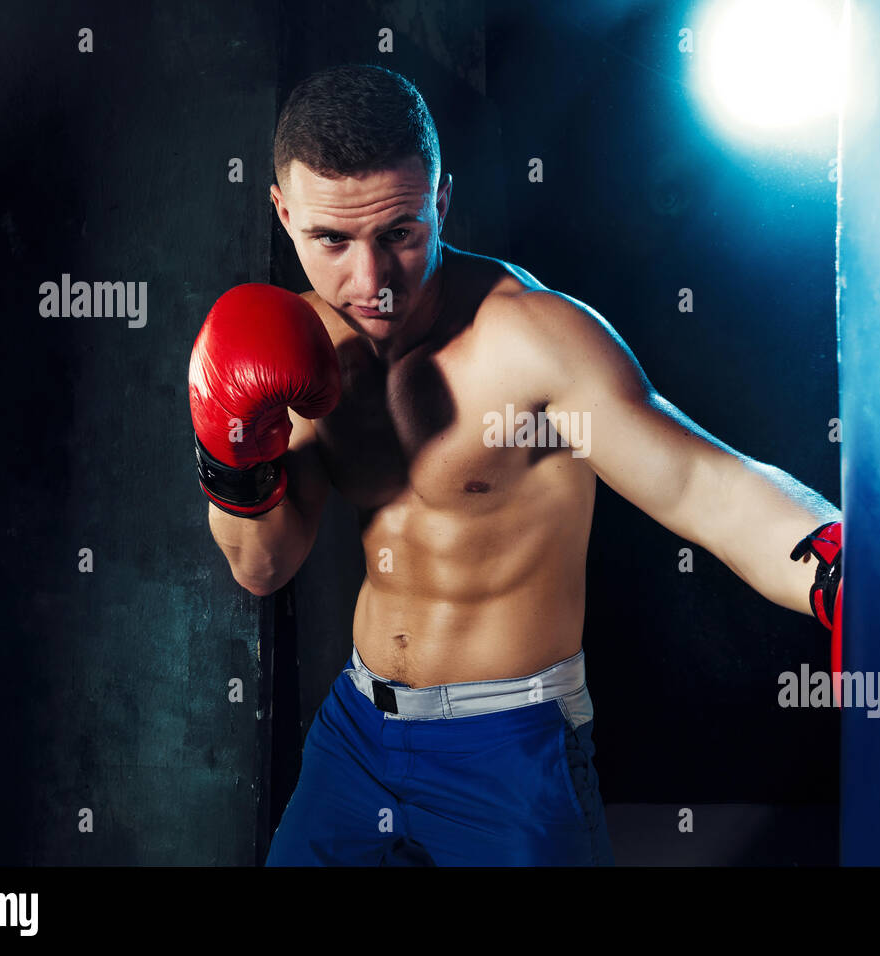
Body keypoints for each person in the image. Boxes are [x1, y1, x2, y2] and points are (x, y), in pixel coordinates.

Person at [188, 63, 843, 866]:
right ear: (284, 213)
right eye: (330, 240)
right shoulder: (302, 349)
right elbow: (263, 567)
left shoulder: (534, 340)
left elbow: (700, 483)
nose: (371, 282)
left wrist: (836, 568)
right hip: (356, 735)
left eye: (399, 233)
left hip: (510, 748)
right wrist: (232, 455)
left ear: (441, 201)